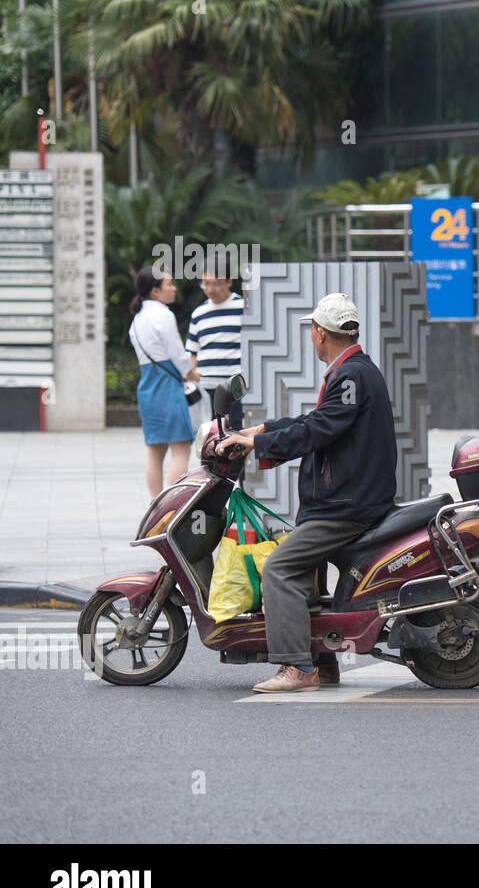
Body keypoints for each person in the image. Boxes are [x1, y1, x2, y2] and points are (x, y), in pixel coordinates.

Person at [216, 293, 397, 694]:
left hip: (345, 507)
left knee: (280, 569)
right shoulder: (352, 371)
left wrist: (256, 444)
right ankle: (323, 663)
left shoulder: (350, 376)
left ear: (320, 333)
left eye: (311, 329)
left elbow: (319, 429)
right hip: (344, 500)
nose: (311, 336)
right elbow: (319, 420)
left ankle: (298, 668)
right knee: (305, 573)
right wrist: (263, 431)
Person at [127, 264, 199, 497]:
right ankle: (172, 505)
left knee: (155, 451)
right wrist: (191, 373)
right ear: (156, 291)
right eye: (169, 283)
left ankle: (156, 505)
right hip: (167, 388)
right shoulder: (163, 315)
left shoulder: (137, 319)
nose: (173, 288)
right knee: (181, 449)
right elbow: (177, 353)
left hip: (147, 388)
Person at [186, 272, 244, 429]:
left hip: (235, 386)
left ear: (229, 281)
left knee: (237, 433)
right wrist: (191, 377)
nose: (210, 289)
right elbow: (192, 352)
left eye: (216, 283)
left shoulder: (244, 307)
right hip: (206, 387)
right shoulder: (198, 313)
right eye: (206, 283)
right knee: (210, 434)